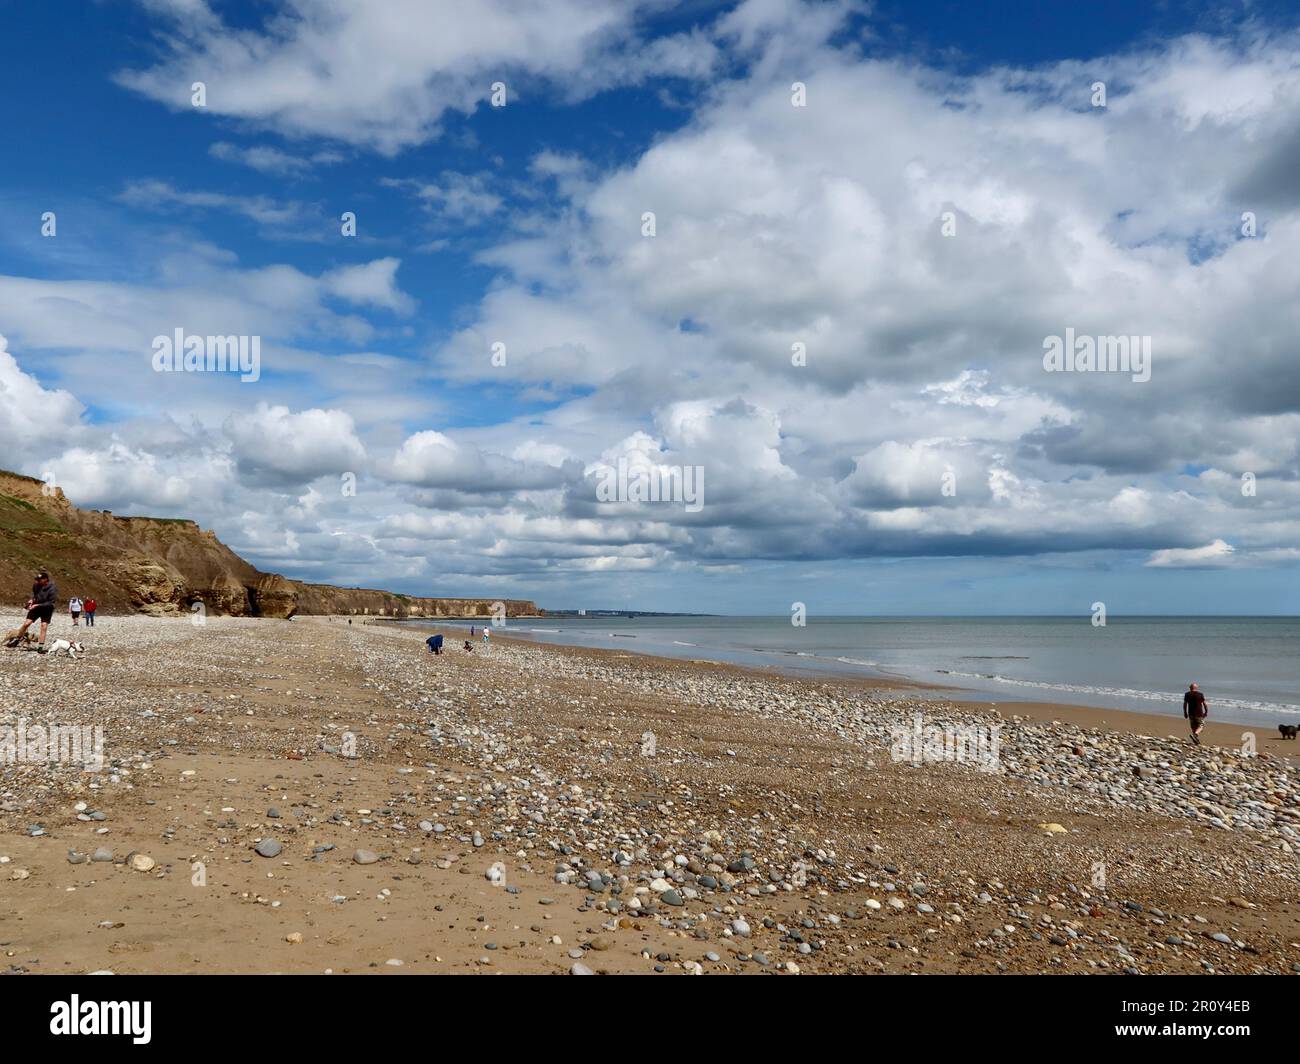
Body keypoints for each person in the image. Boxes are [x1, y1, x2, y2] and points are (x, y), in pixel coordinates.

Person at [14, 570, 58, 651]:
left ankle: (40, 648)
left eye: (39, 579)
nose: (37, 581)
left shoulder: (53, 588)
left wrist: (37, 605)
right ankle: (17, 639)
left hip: (47, 609)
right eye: (37, 579)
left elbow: (51, 602)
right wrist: (31, 600)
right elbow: (34, 594)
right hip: (35, 607)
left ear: (45, 580)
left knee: (44, 626)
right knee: (26, 624)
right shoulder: (36, 585)